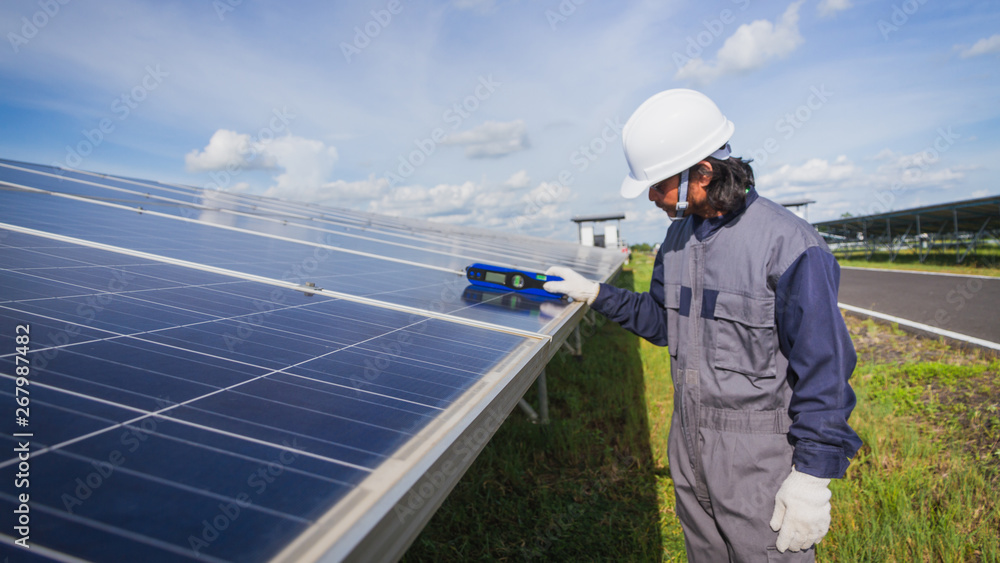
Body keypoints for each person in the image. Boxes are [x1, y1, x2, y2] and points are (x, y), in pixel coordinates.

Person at [543, 89, 862, 562]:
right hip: (690, 449)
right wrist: (596, 294)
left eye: (658, 184)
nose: (652, 195)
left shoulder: (789, 245)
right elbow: (663, 322)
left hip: (759, 463)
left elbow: (825, 370)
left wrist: (813, 479)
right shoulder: (676, 239)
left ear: (703, 173)